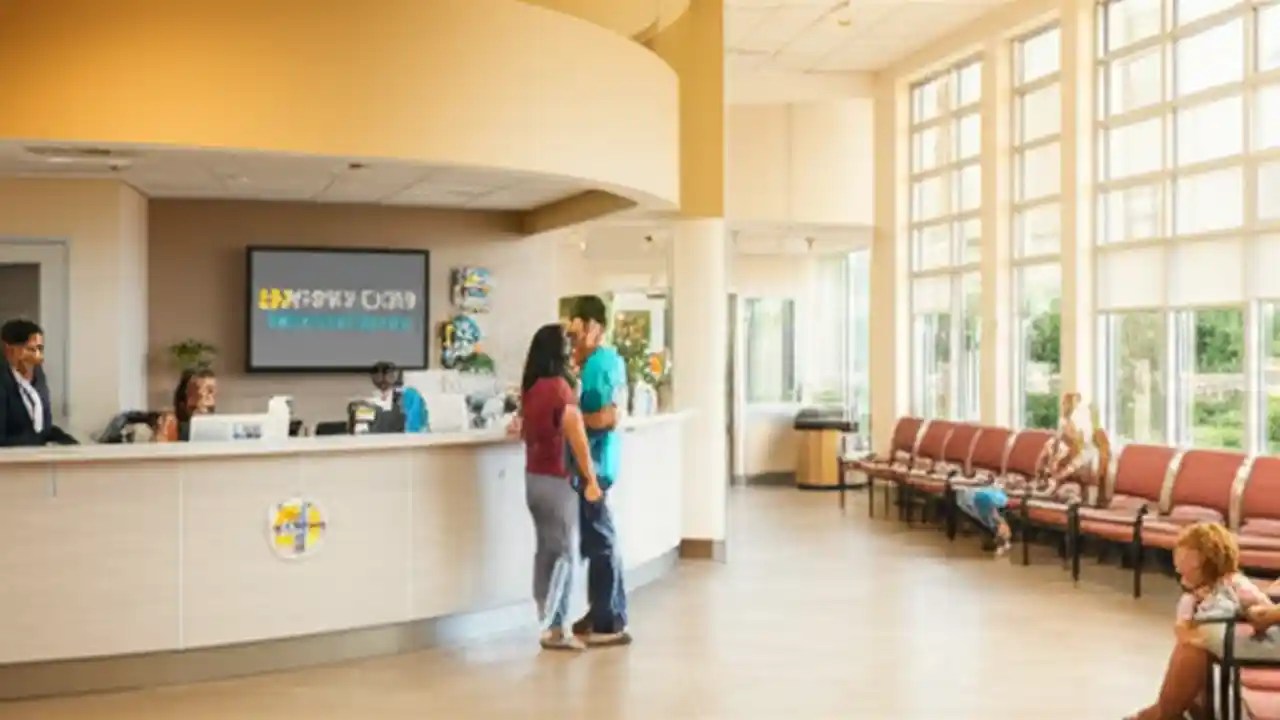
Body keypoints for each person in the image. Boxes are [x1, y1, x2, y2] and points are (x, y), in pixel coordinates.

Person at [1126, 523, 1280, 720]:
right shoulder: (1194, 595)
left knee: (1196, 645)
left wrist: (1268, 613)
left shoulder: (1233, 585)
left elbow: (1261, 608)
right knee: (1194, 644)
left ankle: (1162, 714)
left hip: (1265, 634)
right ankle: (1168, 711)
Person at [516, 323, 603, 651]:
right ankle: (557, 627)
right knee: (565, 553)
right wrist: (591, 479)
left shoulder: (532, 387)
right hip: (557, 480)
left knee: (546, 551)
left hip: (533, 480)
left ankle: (545, 616)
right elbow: (577, 437)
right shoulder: (560, 389)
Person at [566, 295, 631, 646]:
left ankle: (609, 620)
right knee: (596, 539)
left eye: (577, 329)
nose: (572, 339)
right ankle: (602, 610)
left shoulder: (601, 365)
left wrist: (572, 420)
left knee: (600, 541)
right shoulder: (597, 363)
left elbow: (607, 416)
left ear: (594, 327)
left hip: (597, 466)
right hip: (592, 464)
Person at [0, 319, 76, 447]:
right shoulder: (3, 383)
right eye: (30, 350)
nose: (38, 357)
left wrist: (69, 443)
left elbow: (42, 429)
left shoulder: (39, 377)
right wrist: (39, 443)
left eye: (40, 349)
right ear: (10, 351)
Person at [156, 368, 218, 442]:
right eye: (195, 390)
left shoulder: (220, 426)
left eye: (210, 390)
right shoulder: (170, 424)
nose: (201, 394)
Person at [370, 361, 427, 432]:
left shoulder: (409, 395)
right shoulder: (373, 399)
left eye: (385, 375)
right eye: (377, 377)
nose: (382, 382)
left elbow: (415, 425)